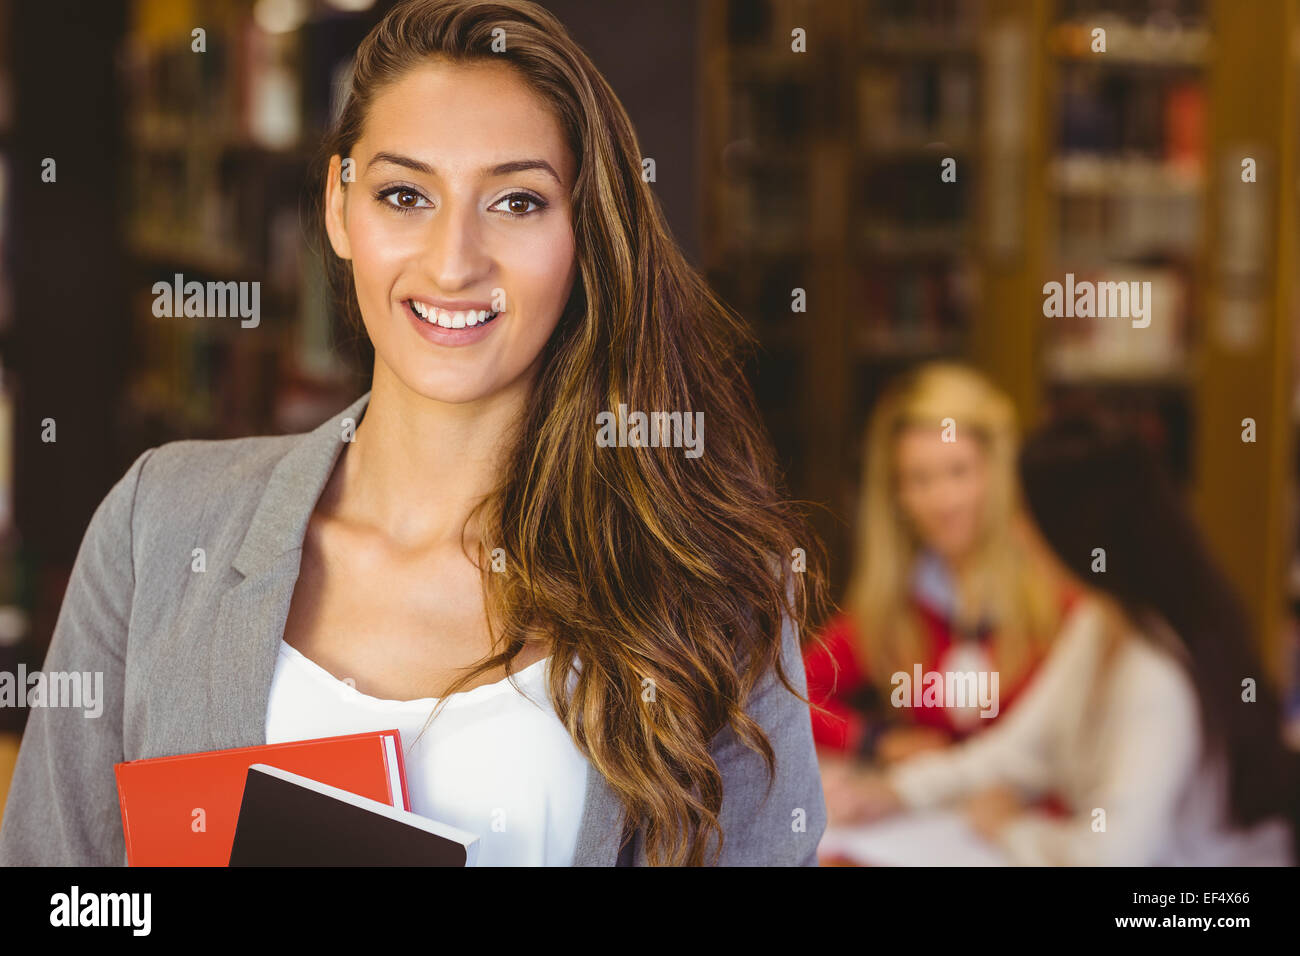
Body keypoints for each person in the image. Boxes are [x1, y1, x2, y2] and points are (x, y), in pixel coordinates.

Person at [0, 0, 832, 867]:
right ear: (338, 206)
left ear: (584, 233)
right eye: (405, 194)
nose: (452, 261)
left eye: (516, 201)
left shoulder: (709, 586)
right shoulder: (157, 527)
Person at [826, 416, 1300, 865]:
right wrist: (898, 790)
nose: (1016, 531)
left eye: (1028, 516)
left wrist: (1009, 829)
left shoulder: (1156, 674)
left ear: (1075, 533)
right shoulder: (1101, 622)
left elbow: (1111, 856)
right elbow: (1022, 748)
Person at [806, 363, 1072, 770]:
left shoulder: (1058, 591)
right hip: (935, 823)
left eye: (959, 472)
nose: (942, 501)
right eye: (918, 479)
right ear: (896, 495)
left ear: (996, 473)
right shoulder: (898, 601)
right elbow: (792, 694)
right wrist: (873, 741)